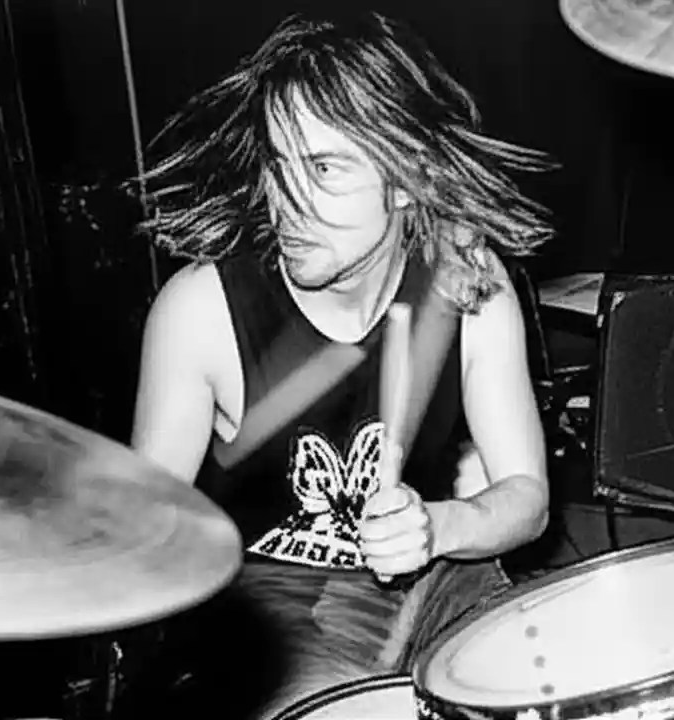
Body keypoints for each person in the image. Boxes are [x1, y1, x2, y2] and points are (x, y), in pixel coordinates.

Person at [129, 10, 556, 719]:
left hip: (439, 578)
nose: (287, 201)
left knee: (545, 683)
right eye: (277, 162)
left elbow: (528, 498)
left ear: (405, 179)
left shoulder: (463, 280)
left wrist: (440, 525)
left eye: (324, 168)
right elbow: (142, 530)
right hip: (277, 600)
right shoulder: (202, 311)